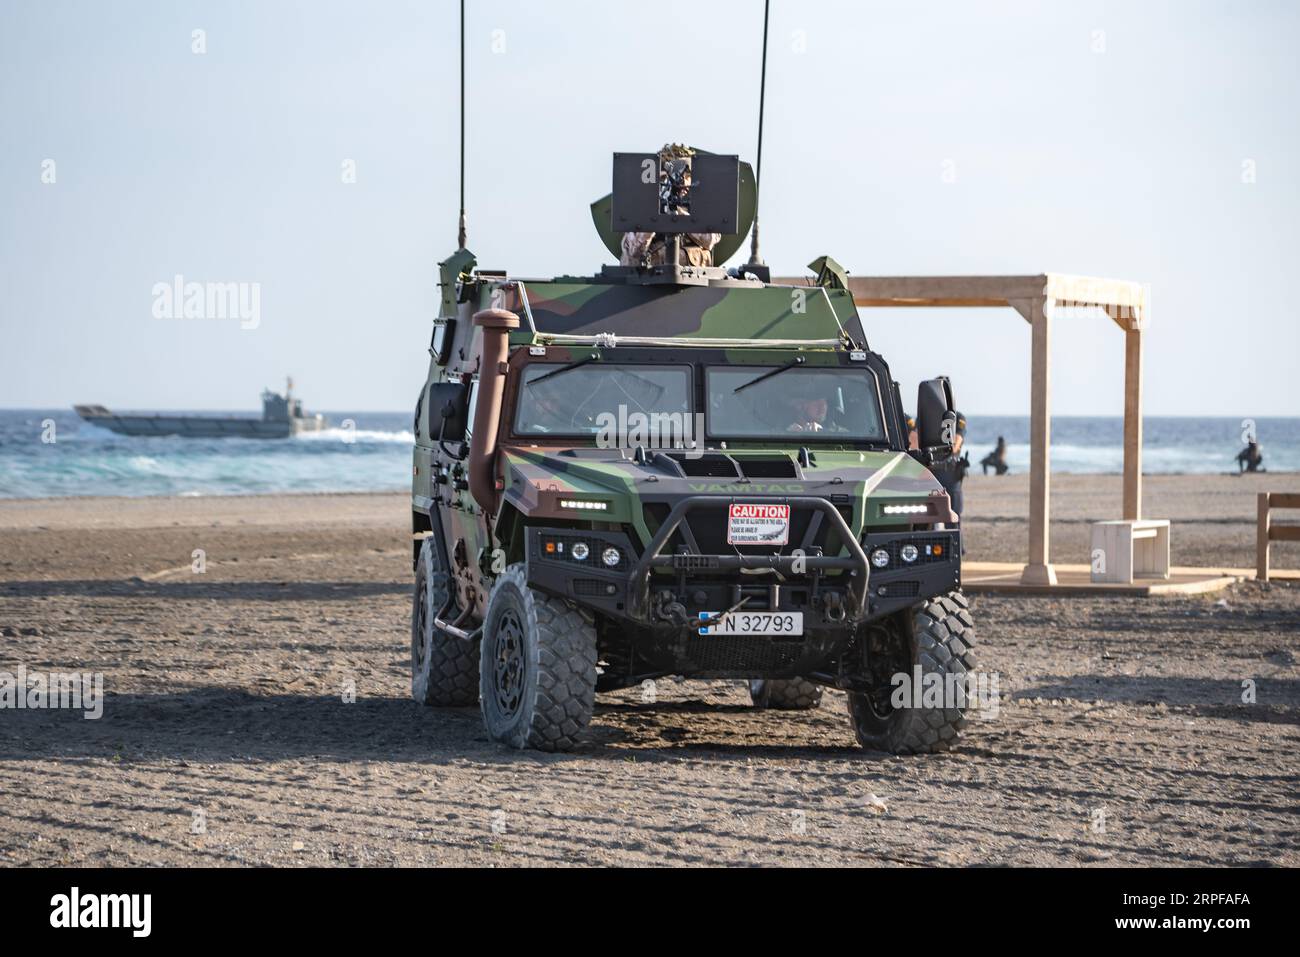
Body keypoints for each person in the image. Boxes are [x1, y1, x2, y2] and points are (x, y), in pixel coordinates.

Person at [620, 144, 721, 268]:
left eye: (688, 176)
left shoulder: (701, 203)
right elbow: (635, 251)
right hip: (649, 276)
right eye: (676, 176)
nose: (683, 181)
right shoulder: (642, 204)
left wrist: (679, 214)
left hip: (691, 276)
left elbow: (710, 240)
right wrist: (656, 214)